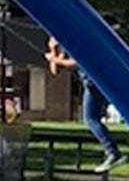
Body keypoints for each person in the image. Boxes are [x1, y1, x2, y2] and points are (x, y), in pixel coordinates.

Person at [53, 39, 125, 172]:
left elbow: (78, 61)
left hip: (97, 79)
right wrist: (54, 51)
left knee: (90, 118)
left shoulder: (72, 38)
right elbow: (55, 71)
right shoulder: (61, 42)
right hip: (91, 83)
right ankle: (113, 152)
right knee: (90, 118)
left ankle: (113, 152)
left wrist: (57, 60)